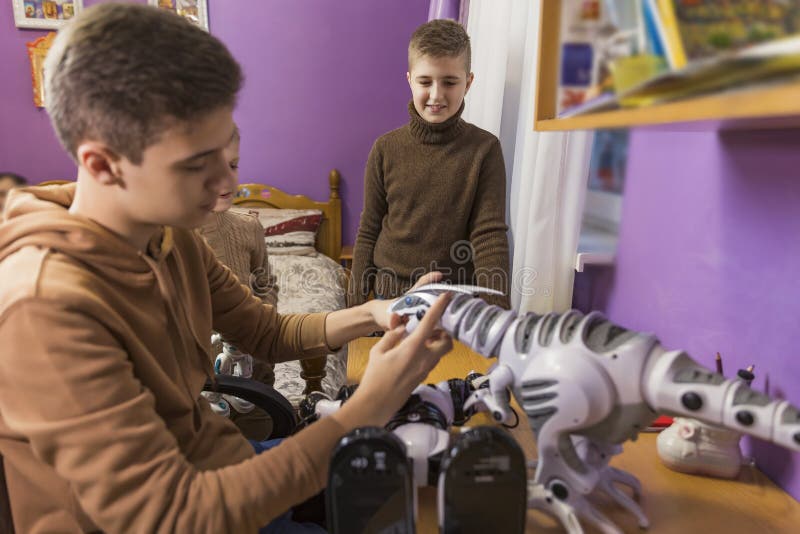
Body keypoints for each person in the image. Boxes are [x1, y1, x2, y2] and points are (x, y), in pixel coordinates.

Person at [0, 4, 453, 533]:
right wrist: (371, 402)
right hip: (187, 510)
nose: (227, 185)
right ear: (103, 164)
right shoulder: (44, 307)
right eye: (197, 163)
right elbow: (178, 514)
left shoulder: (171, 236)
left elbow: (267, 329)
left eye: (228, 154)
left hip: (220, 461)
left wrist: (377, 312)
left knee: (415, 480)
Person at [348, 18, 511, 309]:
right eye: (425, 82)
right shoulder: (385, 148)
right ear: (410, 79)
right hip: (390, 298)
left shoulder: (485, 150)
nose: (436, 95)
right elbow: (370, 228)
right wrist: (356, 308)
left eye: (449, 82)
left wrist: (497, 316)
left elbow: (489, 237)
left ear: (468, 82)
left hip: (457, 301)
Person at [197, 126, 280, 440]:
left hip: (253, 368)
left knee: (260, 442)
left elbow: (265, 284)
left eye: (233, 166)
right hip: (199, 380)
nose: (227, 181)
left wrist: (259, 318)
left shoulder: (250, 226)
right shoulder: (168, 236)